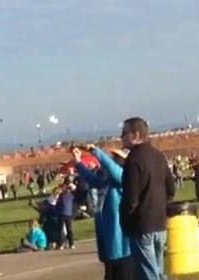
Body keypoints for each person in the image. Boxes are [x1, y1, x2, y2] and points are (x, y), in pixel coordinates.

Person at [120, 116, 175, 280]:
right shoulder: (158, 155)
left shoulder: (133, 160)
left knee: (148, 274)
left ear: (135, 135)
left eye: (124, 133)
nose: (121, 137)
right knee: (158, 271)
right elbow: (171, 188)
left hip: (141, 225)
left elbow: (131, 197)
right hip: (159, 222)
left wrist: (126, 218)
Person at [75, 146, 131, 280]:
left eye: (117, 158)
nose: (113, 160)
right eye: (113, 158)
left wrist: (95, 151)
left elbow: (114, 170)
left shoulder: (125, 178)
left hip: (121, 246)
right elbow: (92, 179)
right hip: (108, 242)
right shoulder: (108, 183)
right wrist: (78, 161)